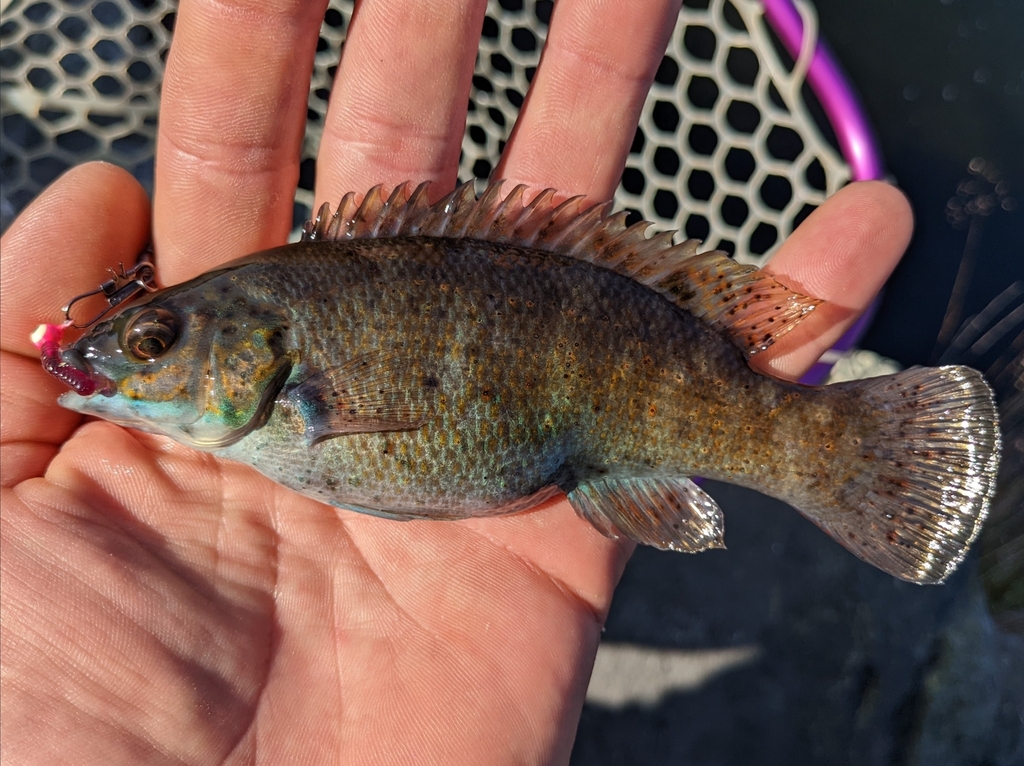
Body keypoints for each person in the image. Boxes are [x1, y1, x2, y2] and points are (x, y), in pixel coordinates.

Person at [0, 0, 912, 762]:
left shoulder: (290, 366)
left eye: (157, 341)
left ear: (263, 347)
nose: (126, 359)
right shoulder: (271, 375)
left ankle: (836, 448)